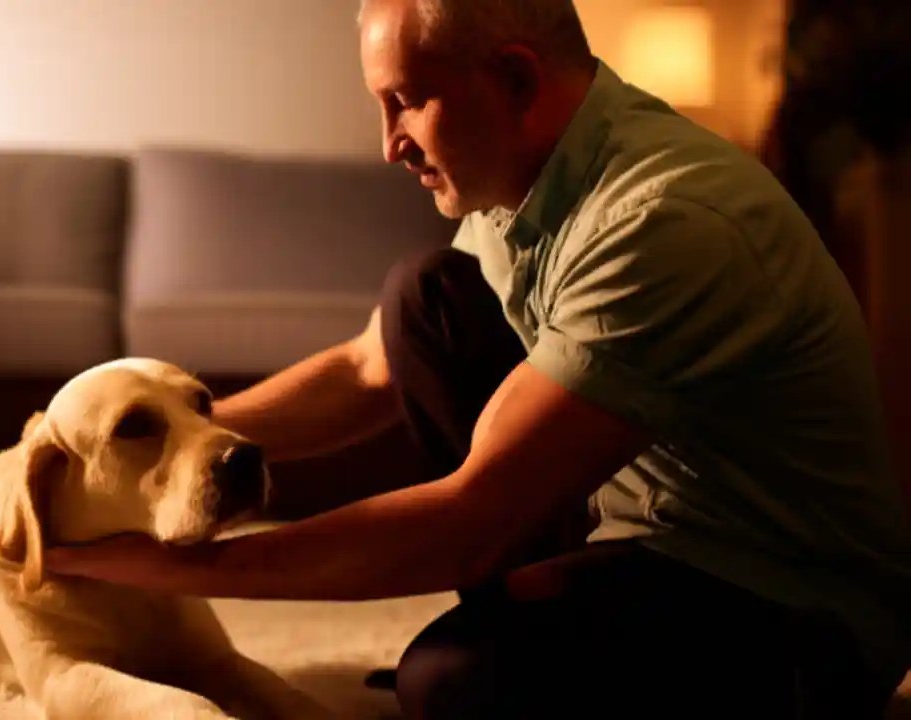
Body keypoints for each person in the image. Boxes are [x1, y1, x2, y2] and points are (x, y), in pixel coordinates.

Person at [44, 0, 911, 716]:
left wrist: (181, 569)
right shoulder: (525, 176)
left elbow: (469, 518)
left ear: (517, 81)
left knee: (450, 682)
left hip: (788, 608)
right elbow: (365, 371)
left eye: (405, 102)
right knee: (425, 297)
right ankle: (538, 613)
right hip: (643, 535)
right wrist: (156, 453)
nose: (389, 143)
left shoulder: (661, 222)